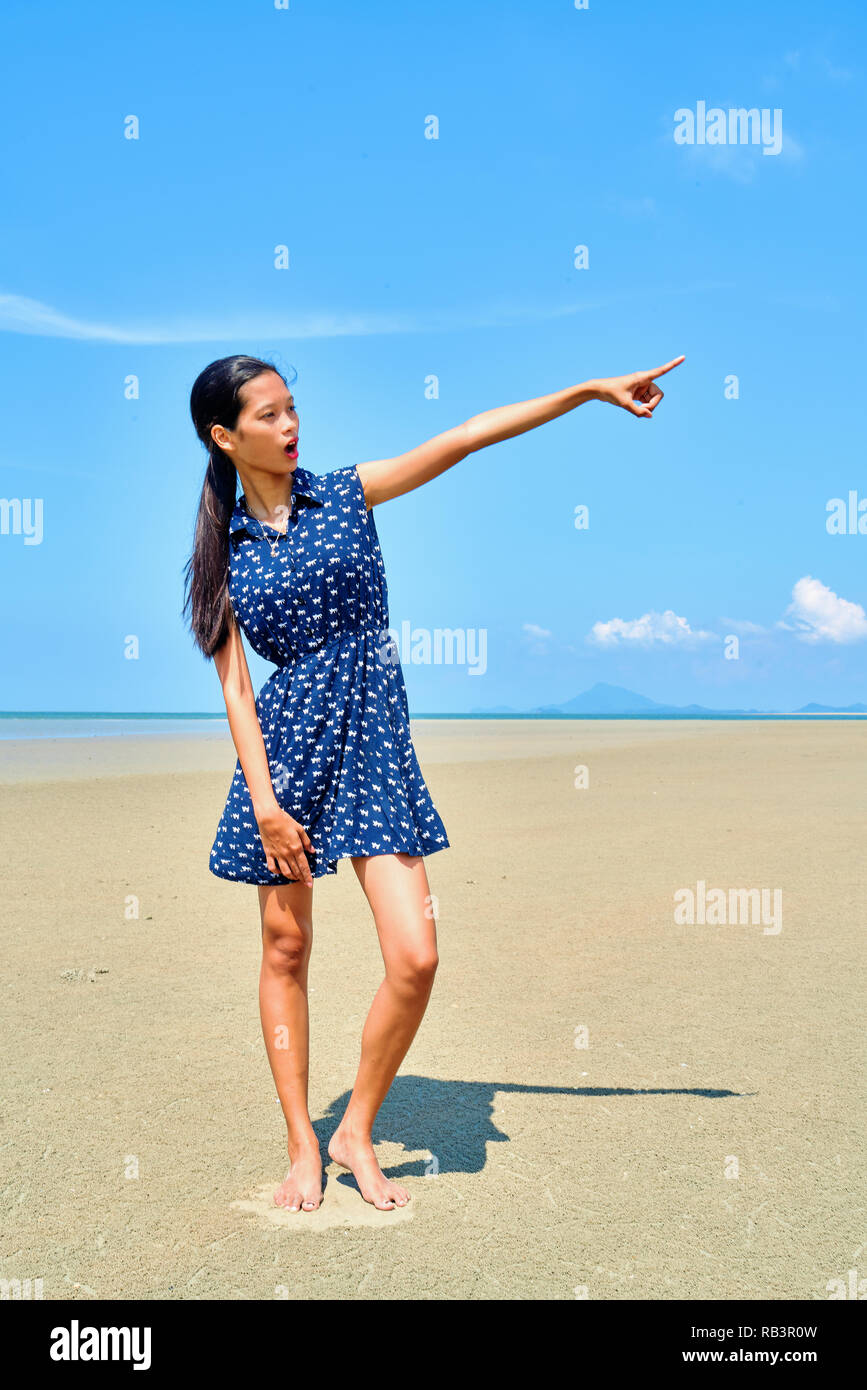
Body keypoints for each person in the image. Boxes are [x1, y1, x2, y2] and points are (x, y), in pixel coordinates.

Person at [183, 351, 684, 1213]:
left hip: (374, 742)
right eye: (267, 416)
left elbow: (464, 437)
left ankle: (354, 1128)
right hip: (286, 757)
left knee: (415, 956)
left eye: (293, 407)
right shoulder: (217, 554)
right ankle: (304, 1142)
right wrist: (264, 803)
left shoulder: (344, 494)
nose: (290, 425)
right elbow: (234, 687)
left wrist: (584, 392)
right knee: (285, 950)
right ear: (224, 436)